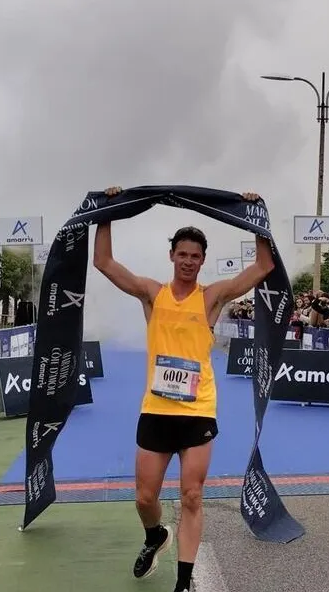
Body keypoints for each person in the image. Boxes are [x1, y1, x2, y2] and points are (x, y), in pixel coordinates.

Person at [93, 186, 275, 592]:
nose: (189, 261)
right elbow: (103, 261)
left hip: (198, 409)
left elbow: (262, 266)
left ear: (202, 260)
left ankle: (183, 581)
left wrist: (257, 215)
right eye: (182, 254)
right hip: (156, 409)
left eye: (195, 256)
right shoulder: (152, 294)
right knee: (144, 498)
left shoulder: (212, 297)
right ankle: (155, 534)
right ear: (172, 255)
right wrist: (107, 211)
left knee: (192, 495)